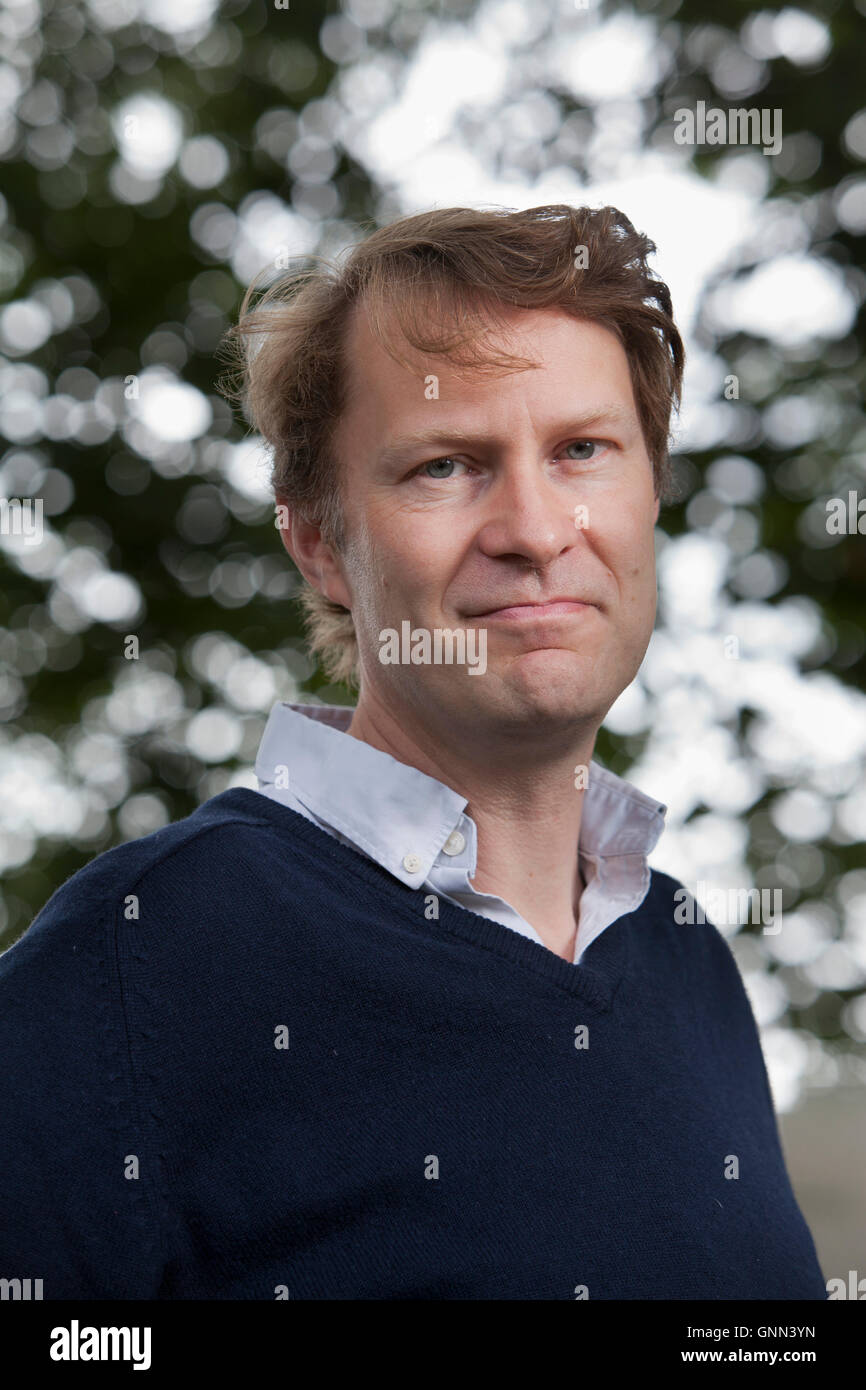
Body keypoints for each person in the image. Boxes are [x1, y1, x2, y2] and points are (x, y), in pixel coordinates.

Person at [0, 205, 826, 1300]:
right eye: (446, 466)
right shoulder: (127, 971)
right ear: (319, 543)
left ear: (649, 491)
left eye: (581, 450)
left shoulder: (688, 962)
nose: (534, 531)